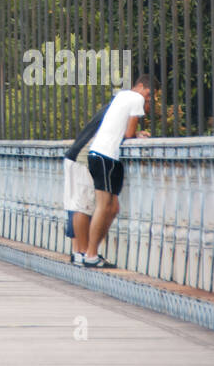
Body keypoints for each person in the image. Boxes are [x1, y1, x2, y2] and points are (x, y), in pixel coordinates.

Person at [83, 73, 156, 269]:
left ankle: (92, 252)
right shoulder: (137, 98)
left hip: (101, 154)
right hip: (105, 155)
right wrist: (137, 134)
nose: (148, 99)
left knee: (113, 207)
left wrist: (134, 133)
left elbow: (122, 130)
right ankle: (90, 255)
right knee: (103, 206)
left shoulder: (121, 96)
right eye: (149, 94)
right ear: (141, 86)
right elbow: (129, 133)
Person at [63, 104, 107, 266]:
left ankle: (78, 253)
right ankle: (83, 254)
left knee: (76, 205)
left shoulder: (107, 109)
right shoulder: (120, 109)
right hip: (82, 159)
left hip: (75, 156)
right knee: (82, 207)